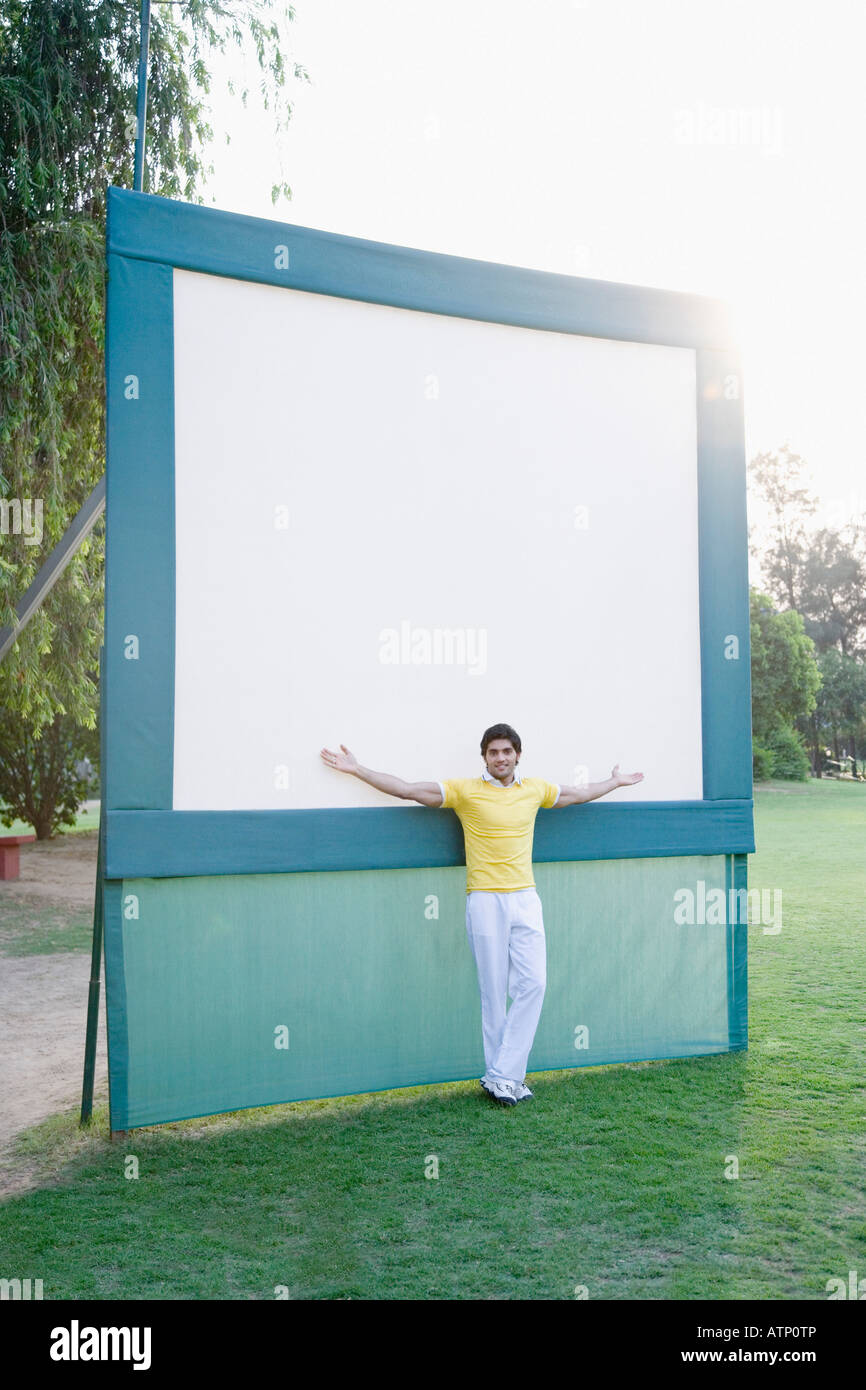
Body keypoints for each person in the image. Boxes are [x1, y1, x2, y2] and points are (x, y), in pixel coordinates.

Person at [320, 722, 644, 1106]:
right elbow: (408, 790)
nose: (501, 758)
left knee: (534, 983)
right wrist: (357, 769)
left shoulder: (535, 789)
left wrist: (615, 782)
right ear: (485, 758)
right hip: (485, 899)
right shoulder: (465, 791)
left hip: (526, 897)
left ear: (517, 755)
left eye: (507, 751)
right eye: (493, 752)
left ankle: (502, 1075)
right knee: (493, 992)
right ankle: (506, 1080)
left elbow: (577, 793)